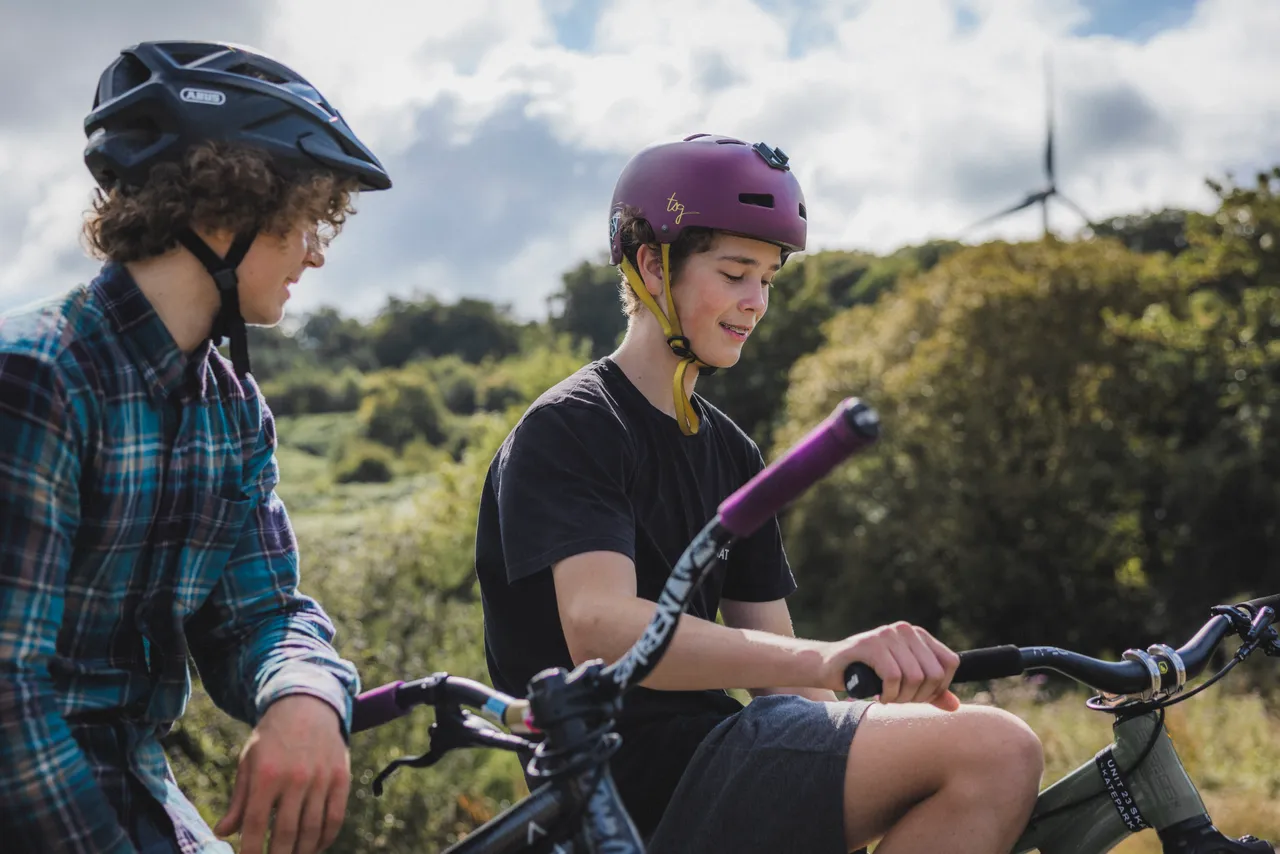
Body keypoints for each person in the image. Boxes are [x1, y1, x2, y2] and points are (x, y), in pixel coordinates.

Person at [474, 133, 1044, 853]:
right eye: (736, 272)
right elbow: (603, 629)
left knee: (968, 749)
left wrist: (880, 721)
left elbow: (784, 678)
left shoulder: (731, 451)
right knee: (996, 751)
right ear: (652, 264)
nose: (756, 302)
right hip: (625, 785)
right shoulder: (573, 426)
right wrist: (827, 657)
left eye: (769, 279)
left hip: (723, 750)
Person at [0, 41, 391, 854]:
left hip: (134, 785)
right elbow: (7, 694)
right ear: (229, 207)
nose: (318, 253)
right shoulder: (40, 379)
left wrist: (305, 694)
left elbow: (263, 611)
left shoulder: (233, 410)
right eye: (308, 219)